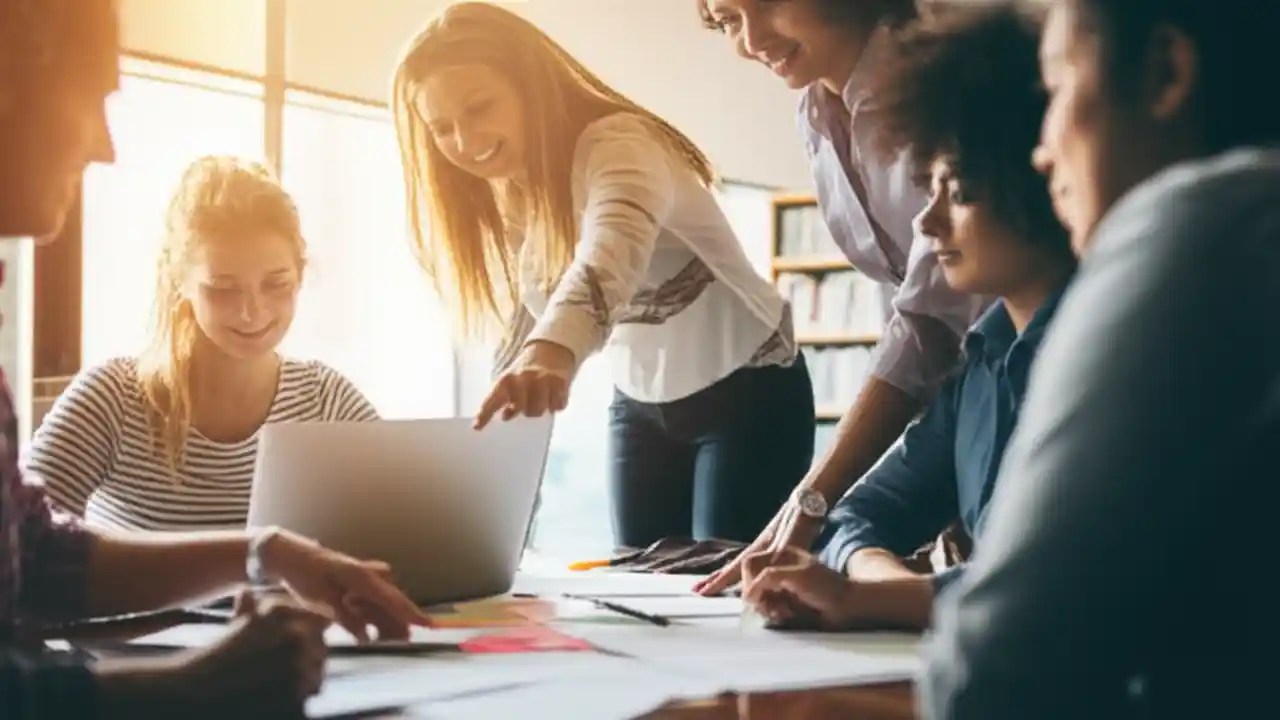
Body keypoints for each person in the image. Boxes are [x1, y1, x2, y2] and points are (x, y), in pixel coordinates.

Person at [0, 1, 429, 716]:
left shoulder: (324, 393)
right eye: (95, 98)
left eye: (276, 285)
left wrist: (267, 552)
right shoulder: (113, 392)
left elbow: (33, 557)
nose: (105, 147)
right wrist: (191, 688)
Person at [920, 1, 1280, 717]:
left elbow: (992, 676)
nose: (1041, 150)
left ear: (1166, 73)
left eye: (1056, 89)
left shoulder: (1202, 224)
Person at [392, 1, 814, 547]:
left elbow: (610, 250)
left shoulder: (621, 145)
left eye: (480, 107)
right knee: (636, 585)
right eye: (442, 128)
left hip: (749, 390)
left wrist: (551, 356)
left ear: (530, 88)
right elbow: (523, 328)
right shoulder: (515, 191)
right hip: (640, 403)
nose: (465, 142)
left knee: (722, 591)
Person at [740, 3, 1074, 632]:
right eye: (927, 185)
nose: (926, 220)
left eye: (961, 191)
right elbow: (851, 519)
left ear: (1044, 179)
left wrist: (866, 598)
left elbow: (1056, 580)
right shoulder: (980, 364)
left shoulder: (1096, 362)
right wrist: (889, 588)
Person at [695, 0, 994, 595]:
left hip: (1006, 367)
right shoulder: (814, 111)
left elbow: (929, 312)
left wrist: (814, 498)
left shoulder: (943, 80)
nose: (752, 40)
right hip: (955, 403)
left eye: (767, 5)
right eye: (728, 19)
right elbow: (902, 299)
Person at [25, 155, 378, 532]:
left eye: (277, 284)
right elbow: (19, 540)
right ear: (181, 283)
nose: (252, 312)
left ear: (301, 275)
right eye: (223, 290)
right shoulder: (114, 398)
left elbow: (409, 521)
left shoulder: (327, 402)